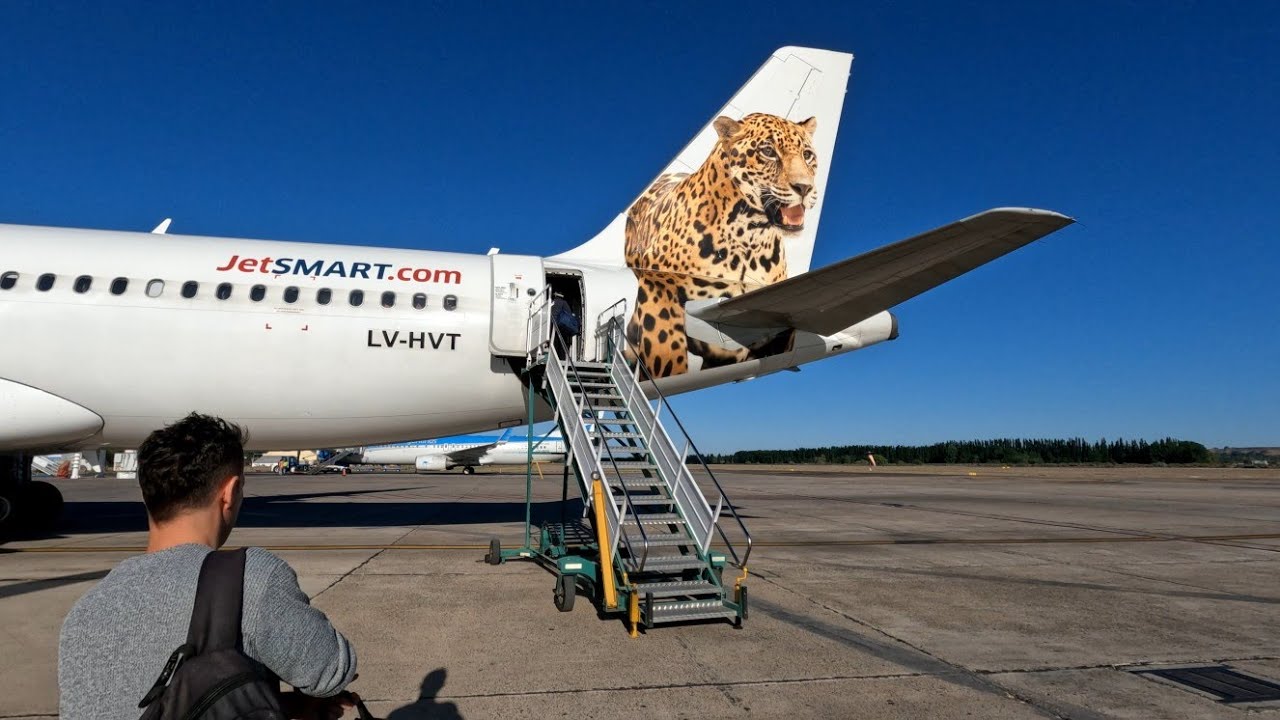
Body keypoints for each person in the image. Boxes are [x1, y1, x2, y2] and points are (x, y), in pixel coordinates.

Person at [58, 413, 357, 720]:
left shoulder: (84, 613)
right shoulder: (248, 579)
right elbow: (331, 670)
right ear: (229, 493)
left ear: (147, 494)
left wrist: (277, 705)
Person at [550, 291, 580, 360]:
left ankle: (553, 357)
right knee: (562, 342)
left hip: (551, 323)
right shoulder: (563, 302)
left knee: (554, 341)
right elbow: (568, 314)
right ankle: (561, 358)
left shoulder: (551, 302)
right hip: (561, 325)